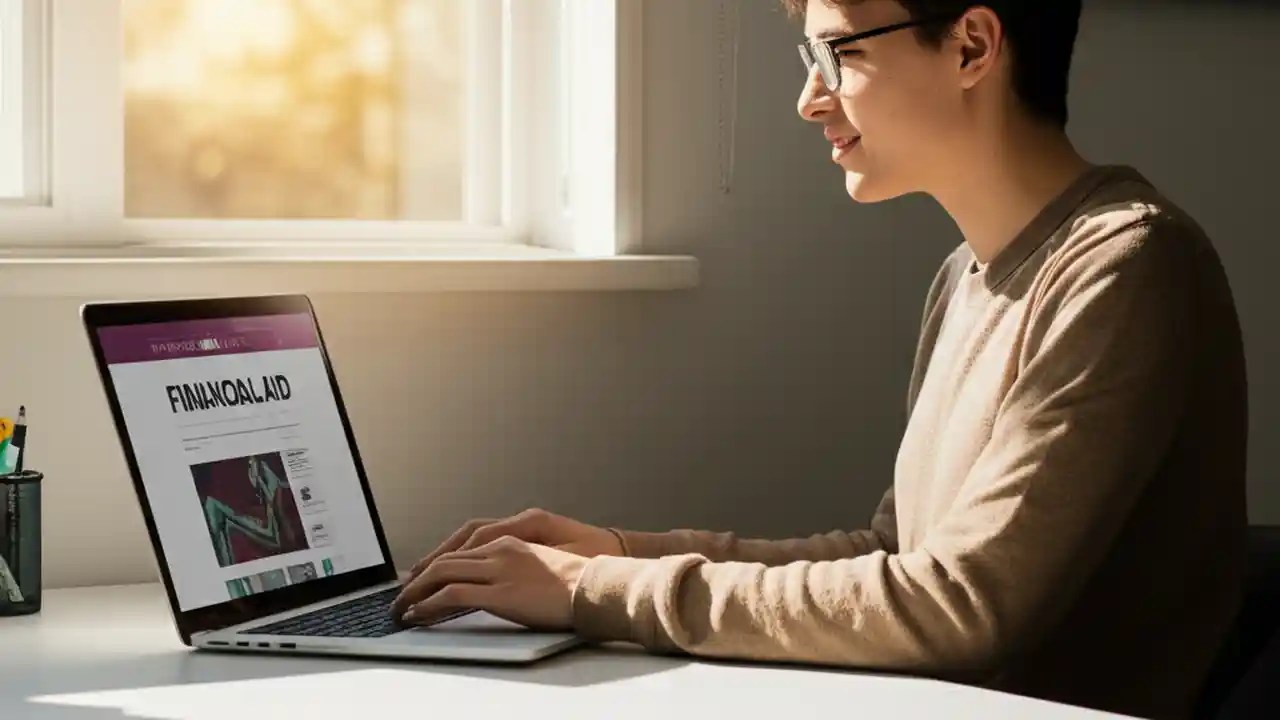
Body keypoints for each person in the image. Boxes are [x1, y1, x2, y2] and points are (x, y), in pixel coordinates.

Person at [391, 2, 1248, 718]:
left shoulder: (1126, 266)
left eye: (838, 53)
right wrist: (616, 549)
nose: (810, 98)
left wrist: (599, 589)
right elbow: (893, 552)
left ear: (972, 47)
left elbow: (960, 606)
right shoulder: (965, 275)